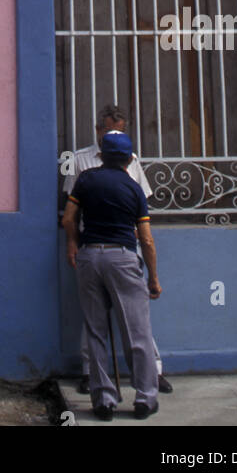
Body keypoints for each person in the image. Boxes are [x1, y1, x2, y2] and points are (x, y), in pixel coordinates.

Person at [62, 104, 172, 395]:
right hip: (102, 246)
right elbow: (71, 213)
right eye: (111, 130)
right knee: (106, 320)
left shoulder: (131, 161)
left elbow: (140, 205)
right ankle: (104, 378)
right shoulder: (80, 162)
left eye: (119, 131)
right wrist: (72, 242)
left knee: (128, 319)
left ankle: (149, 374)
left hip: (119, 244)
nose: (115, 135)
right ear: (98, 130)